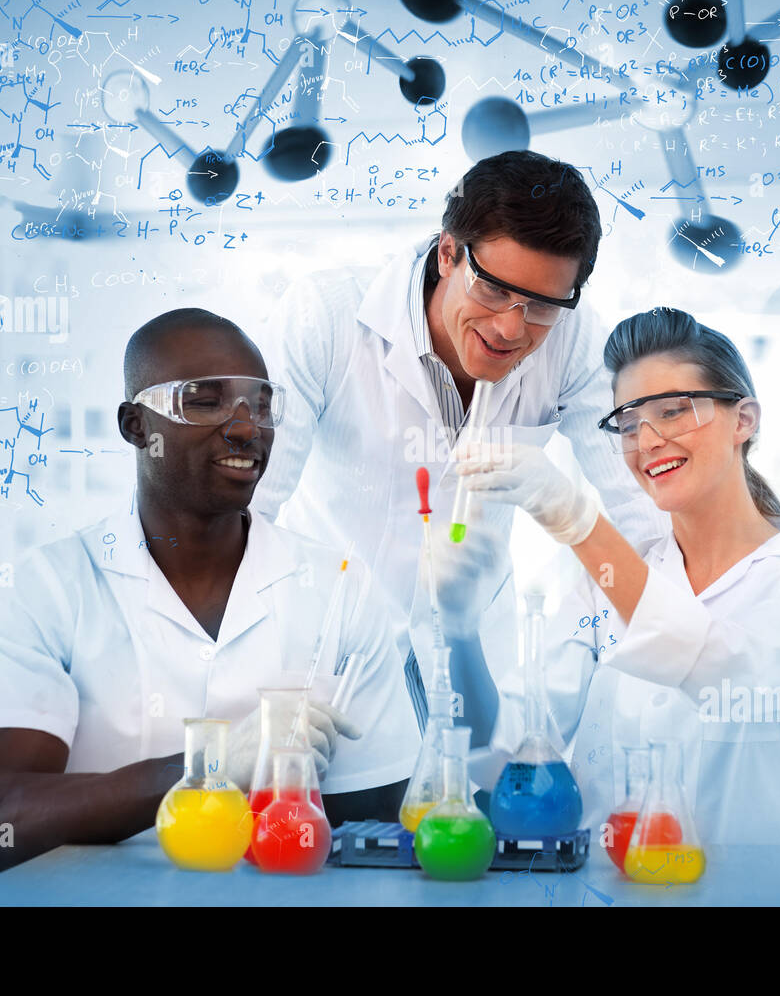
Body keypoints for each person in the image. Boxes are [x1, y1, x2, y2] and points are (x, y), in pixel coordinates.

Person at [0, 309, 419, 875]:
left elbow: (367, 837)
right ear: (135, 426)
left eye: (262, 404)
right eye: (203, 400)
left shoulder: (340, 588)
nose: (246, 427)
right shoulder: (47, 590)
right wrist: (211, 765)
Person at [251, 150, 666, 727]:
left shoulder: (572, 340)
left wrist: (677, 649)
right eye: (493, 291)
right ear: (448, 253)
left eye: (543, 305)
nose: (510, 328)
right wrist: (249, 680)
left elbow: (644, 515)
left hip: (478, 658)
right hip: (331, 651)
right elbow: (252, 508)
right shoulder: (326, 316)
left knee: (475, 807)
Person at [447, 307, 780, 846]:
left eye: (672, 411)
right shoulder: (601, 584)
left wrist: (577, 522)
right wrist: (456, 629)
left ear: (744, 419)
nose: (646, 443)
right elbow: (510, 744)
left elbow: (732, 673)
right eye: (625, 424)